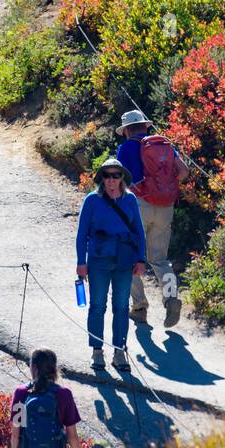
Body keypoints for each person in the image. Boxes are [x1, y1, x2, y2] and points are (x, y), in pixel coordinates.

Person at [116, 110, 187, 329]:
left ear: (127, 130)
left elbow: (120, 182)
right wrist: (165, 188)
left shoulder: (126, 148)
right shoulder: (164, 145)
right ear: (146, 126)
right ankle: (171, 297)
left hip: (138, 206)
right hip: (165, 206)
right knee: (160, 259)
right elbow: (183, 171)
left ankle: (139, 308)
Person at [76, 157, 146, 372]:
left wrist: (140, 259)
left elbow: (139, 232)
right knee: (97, 307)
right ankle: (97, 351)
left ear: (122, 178)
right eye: (107, 175)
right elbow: (82, 235)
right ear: (101, 178)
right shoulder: (91, 201)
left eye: (116, 176)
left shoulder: (130, 200)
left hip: (124, 261)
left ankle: (119, 351)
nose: (111, 180)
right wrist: (81, 262)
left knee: (121, 307)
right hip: (98, 261)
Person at [10, 349, 83, 448]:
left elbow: (15, 435)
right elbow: (73, 437)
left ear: (33, 368)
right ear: (54, 369)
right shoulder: (63, 394)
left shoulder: (21, 393)